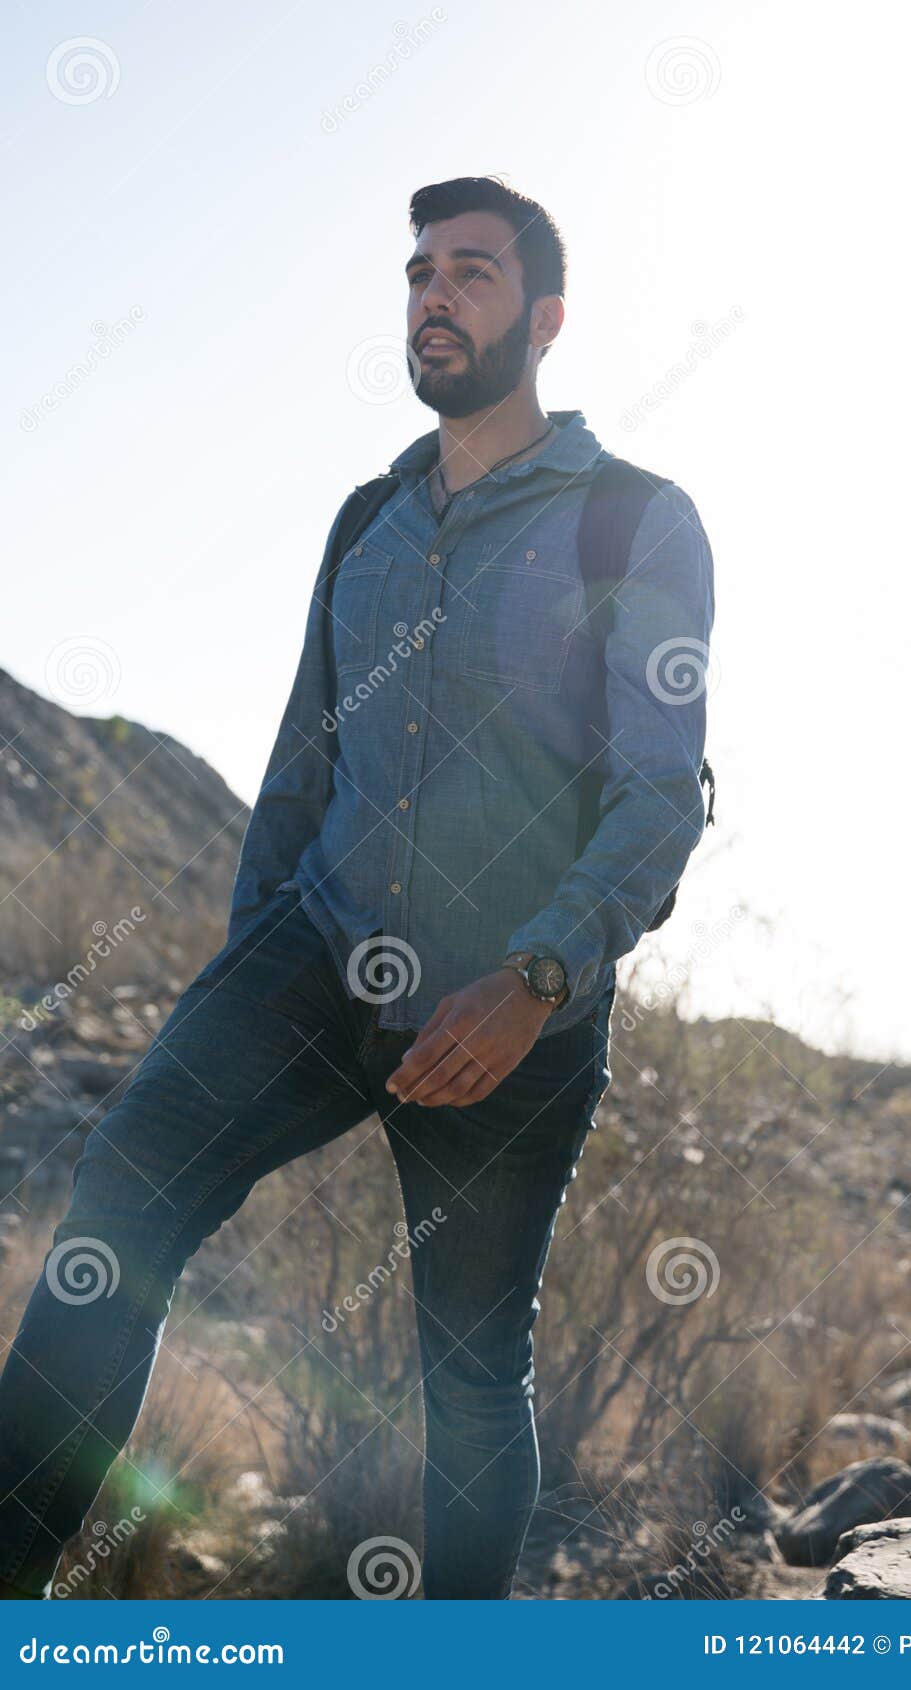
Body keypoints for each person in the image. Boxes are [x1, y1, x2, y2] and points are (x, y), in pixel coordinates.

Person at [0, 175, 714, 1600]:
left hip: (505, 1007)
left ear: (548, 318)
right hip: (315, 964)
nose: (432, 296)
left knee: (466, 1364)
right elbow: (299, 771)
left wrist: (538, 978)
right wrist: (241, 970)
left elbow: (660, 793)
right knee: (121, 1192)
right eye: (417, 273)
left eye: (471, 273)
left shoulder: (634, 522)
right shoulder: (364, 522)